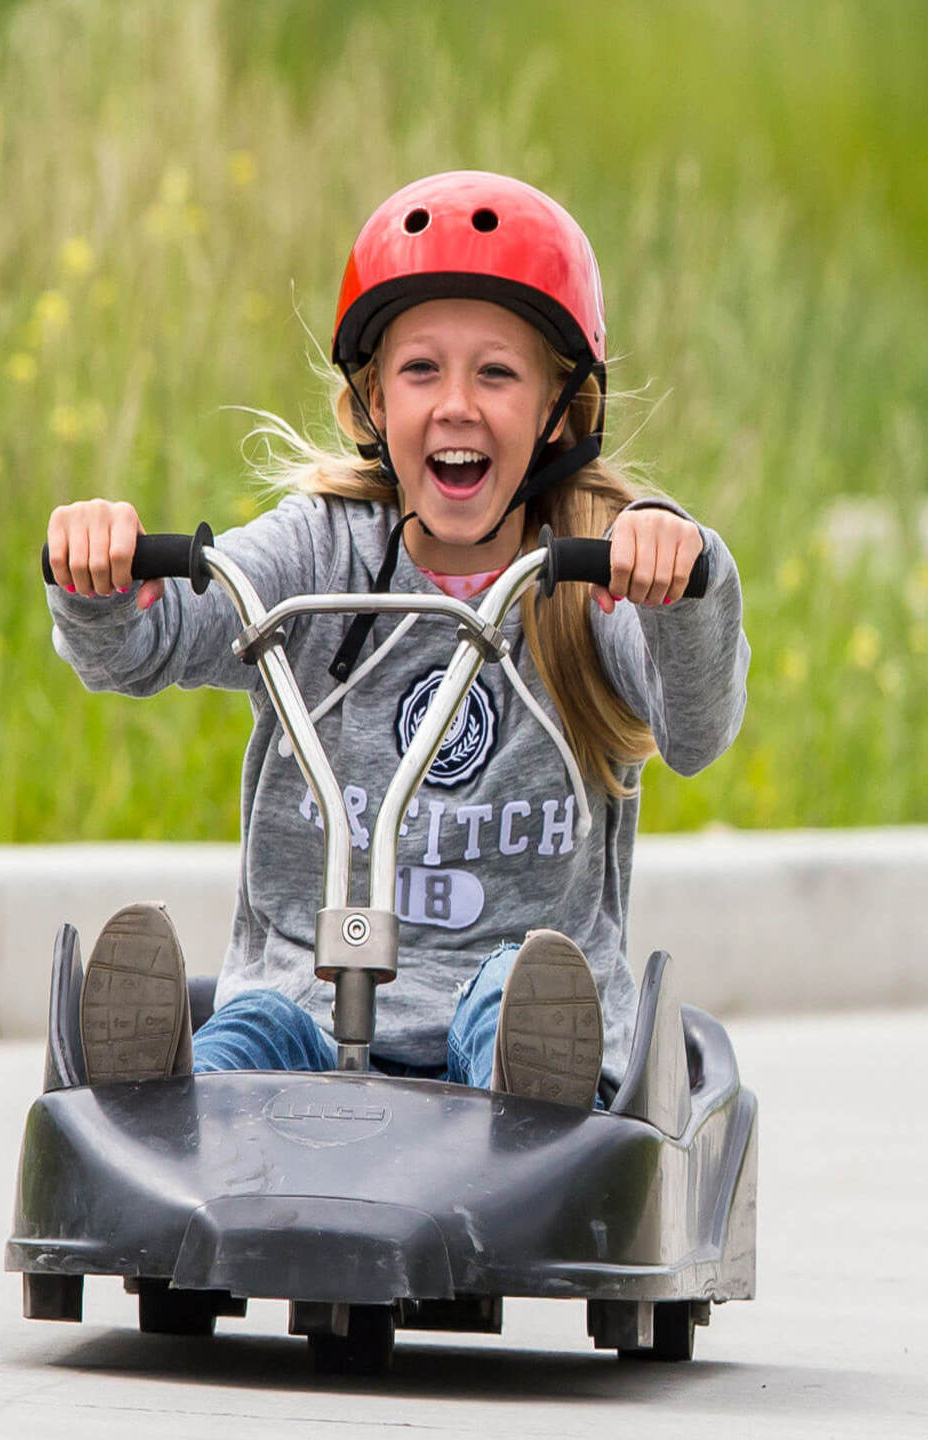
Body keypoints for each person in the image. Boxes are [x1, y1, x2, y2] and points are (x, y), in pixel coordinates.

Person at [42, 171, 749, 1107]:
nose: (457, 403)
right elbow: (144, 646)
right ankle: (164, 1105)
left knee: (514, 1001)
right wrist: (103, 582)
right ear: (373, 401)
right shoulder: (319, 548)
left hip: (510, 1008)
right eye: (423, 370)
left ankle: (537, 1101)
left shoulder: (590, 574)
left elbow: (696, 727)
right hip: (312, 995)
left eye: (496, 372)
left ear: (555, 410)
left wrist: (680, 583)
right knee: (255, 1031)